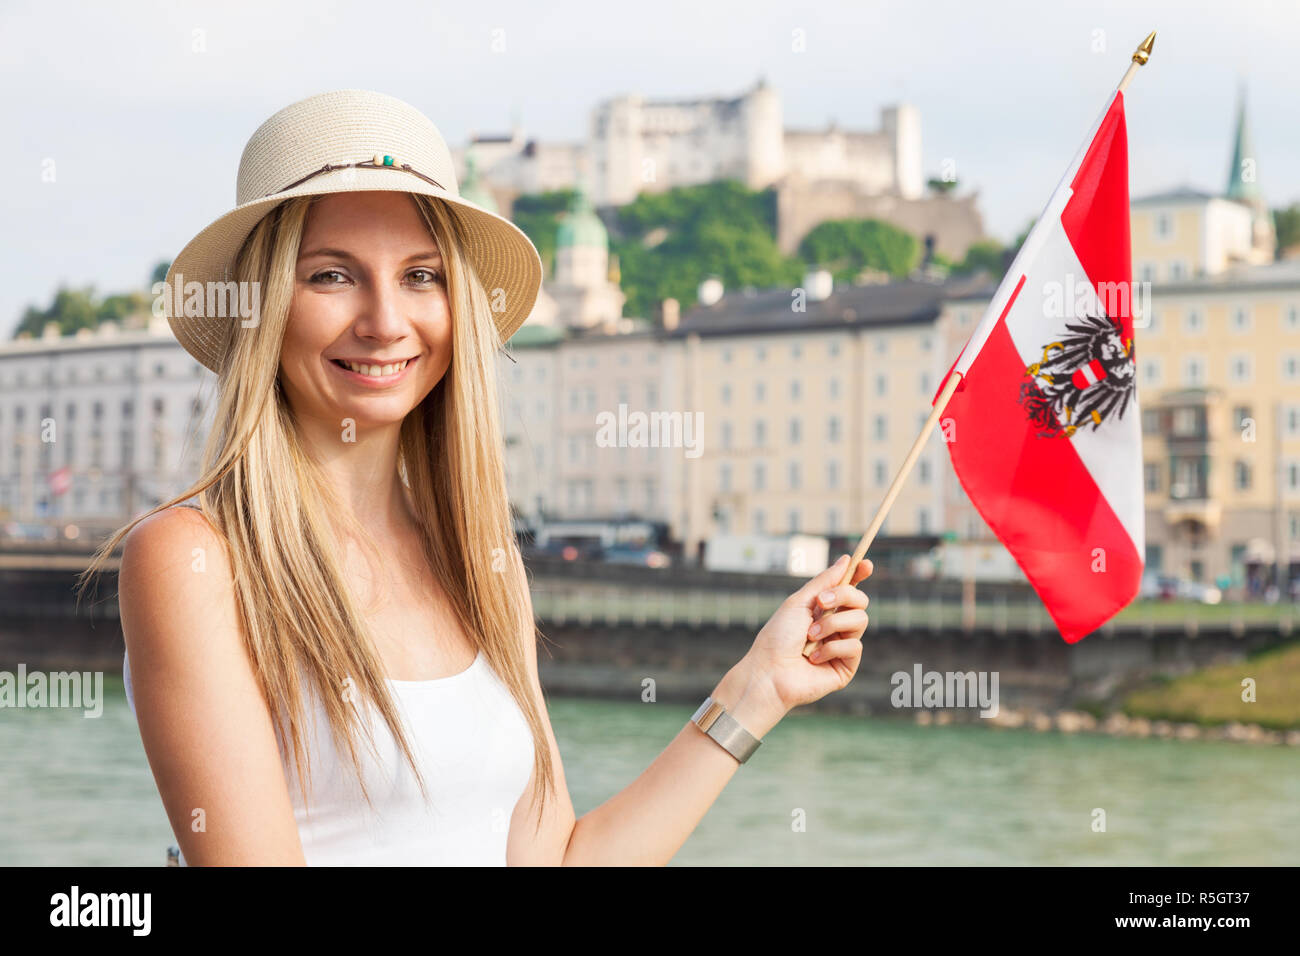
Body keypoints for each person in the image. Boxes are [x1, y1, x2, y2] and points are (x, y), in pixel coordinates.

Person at [83, 90, 873, 866]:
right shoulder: (194, 560)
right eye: (331, 276)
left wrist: (755, 690)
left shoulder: (478, 562)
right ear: (259, 306)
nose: (386, 320)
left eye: (422, 276)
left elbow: (558, 862)